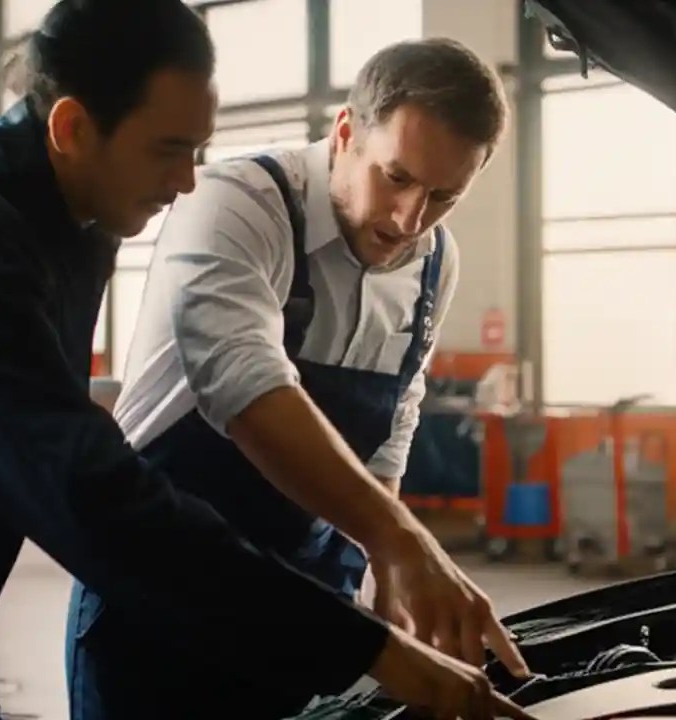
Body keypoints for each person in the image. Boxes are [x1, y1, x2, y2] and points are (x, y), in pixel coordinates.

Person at [0, 3, 531, 719]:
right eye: (169, 150)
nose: (189, 183)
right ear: (72, 128)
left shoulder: (75, 215)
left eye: (197, 148)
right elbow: (90, 499)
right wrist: (373, 647)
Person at [67, 37, 526, 719]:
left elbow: (395, 414)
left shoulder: (434, 259)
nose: (410, 219)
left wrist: (380, 573)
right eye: (395, 178)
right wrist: (398, 540)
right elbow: (245, 384)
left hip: (309, 605)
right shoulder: (237, 201)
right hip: (160, 586)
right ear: (345, 132)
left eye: (443, 196)